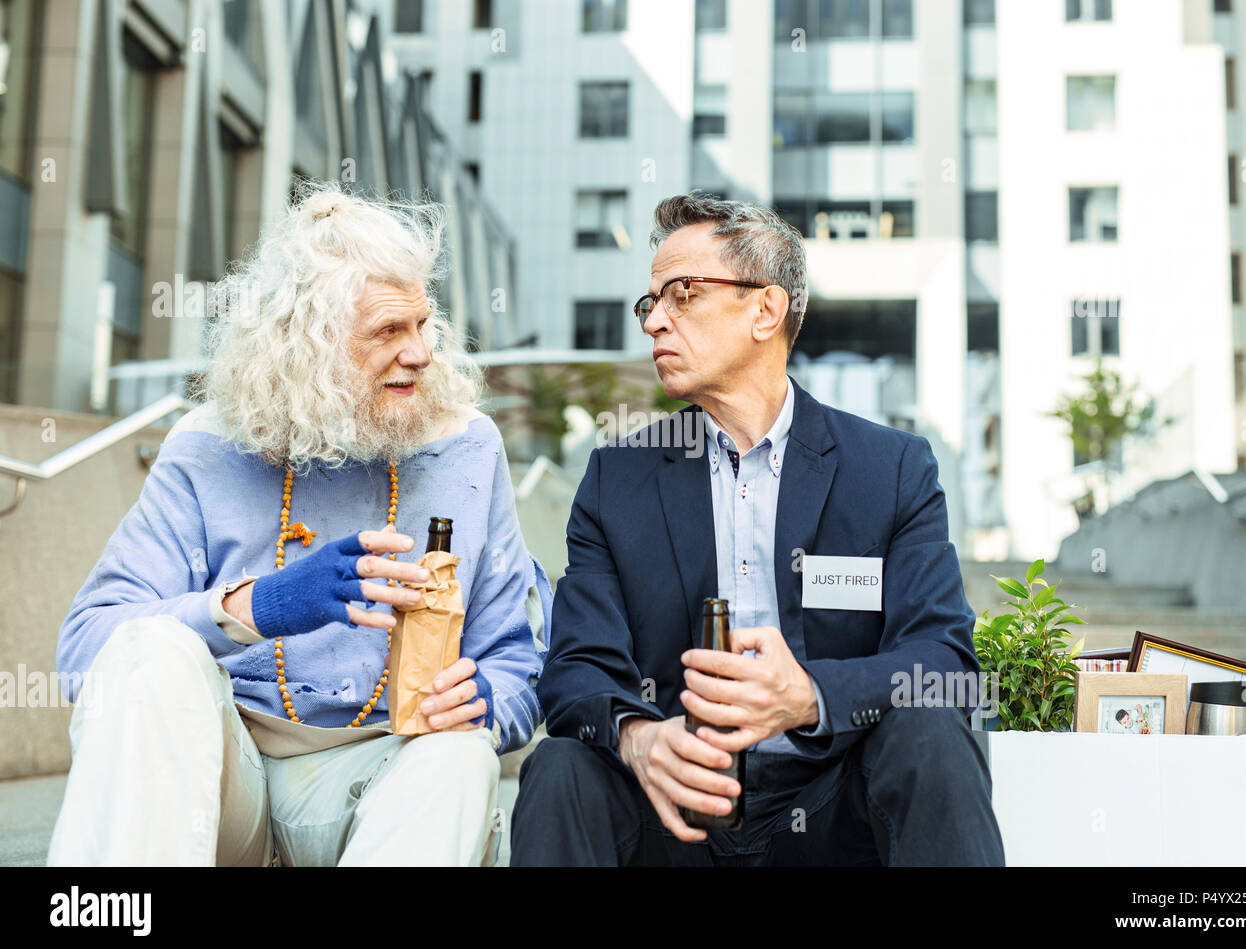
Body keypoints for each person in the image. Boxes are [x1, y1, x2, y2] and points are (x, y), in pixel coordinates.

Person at [48, 186, 551, 866]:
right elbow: (90, 653)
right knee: (152, 650)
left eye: (422, 324)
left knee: (461, 754)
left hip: (386, 778)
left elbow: (516, 661)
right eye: (387, 333)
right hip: (228, 785)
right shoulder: (206, 445)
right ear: (306, 347)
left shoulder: (468, 446)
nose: (422, 354)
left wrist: (490, 701)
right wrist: (259, 605)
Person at [511, 193, 1004, 866]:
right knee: (563, 764)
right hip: (673, 812)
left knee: (932, 735)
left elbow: (946, 666)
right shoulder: (615, 479)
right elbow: (574, 667)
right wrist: (636, 738)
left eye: (682, 294)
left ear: (765, 310)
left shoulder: (889, 469)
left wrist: (809, 697)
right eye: (650, 302)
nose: (655, 320)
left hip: (834, 808)